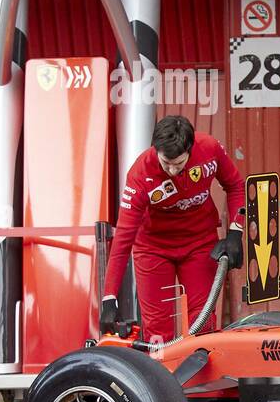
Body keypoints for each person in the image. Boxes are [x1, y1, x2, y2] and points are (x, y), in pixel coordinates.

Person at [101, 115, 245, 343]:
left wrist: (236, 231)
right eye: (165, 162)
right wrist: (109, 296)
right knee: (158, 329)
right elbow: (123, 239)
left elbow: (235, 185)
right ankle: (161, 375)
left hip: (200, 243)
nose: (170, 169)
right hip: (153, 249)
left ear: (190, 149)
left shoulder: (209, 149)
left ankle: (202, 377)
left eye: (178, 164)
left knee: (203, 322)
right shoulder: (140, 174)